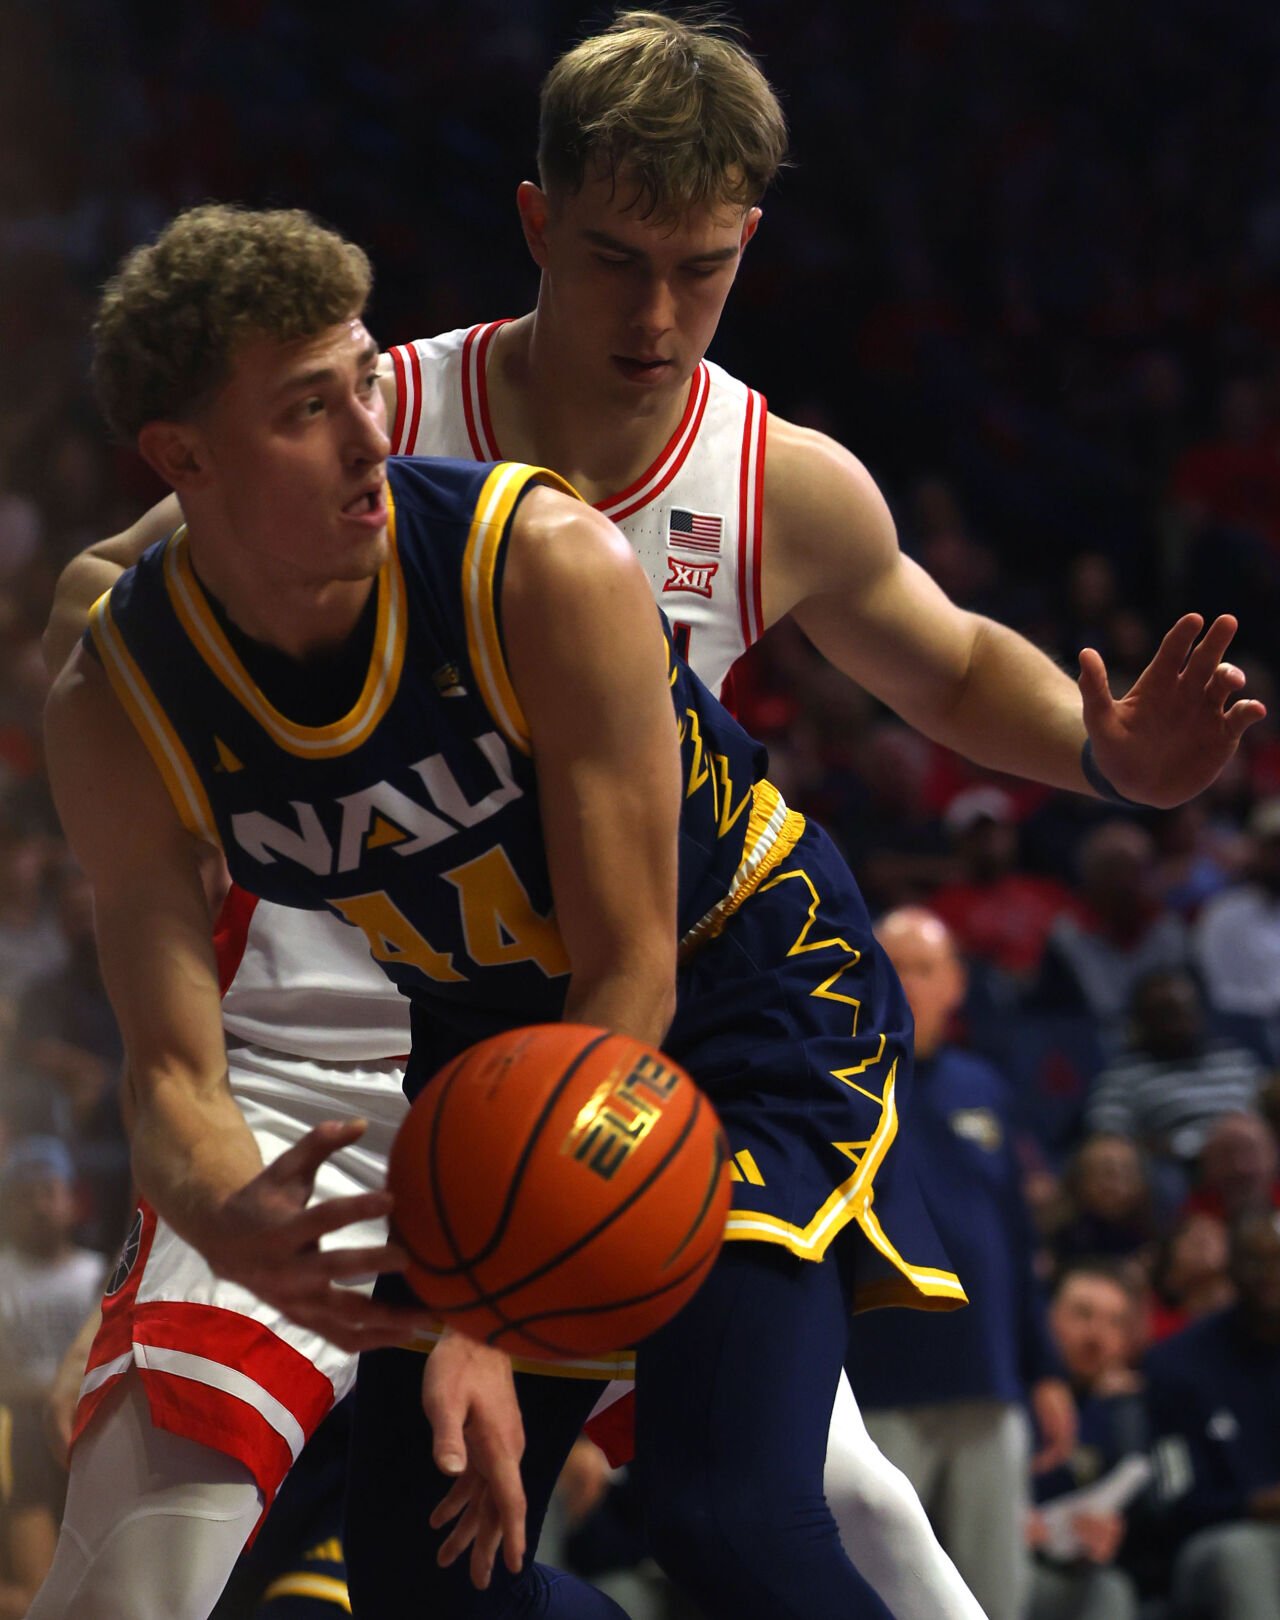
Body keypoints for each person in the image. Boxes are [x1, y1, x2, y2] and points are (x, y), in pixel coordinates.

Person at [46, 17, 1264, 1615]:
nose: (658, 312)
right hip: (459, 1013)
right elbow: (117, 591)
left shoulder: (764, 481)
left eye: (701, 267)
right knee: (416, 1569)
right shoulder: (377, 415)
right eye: (619, 260)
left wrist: (1106, 761)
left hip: (704, 983)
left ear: (748, 244)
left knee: (773, 1501)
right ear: (538, 222)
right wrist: (131, 713)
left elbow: (953, 665)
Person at [46, 202, 979, 1620]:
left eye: (366, 379)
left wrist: (488, 1317)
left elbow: (628, 966)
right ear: (183, 461)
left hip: (735, 1004)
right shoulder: (119, 704)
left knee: (730, 1505)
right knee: (426, 1582)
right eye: (310, 408)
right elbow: (173, 1070)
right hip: (494, 1039)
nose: (372, 435)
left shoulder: (538, 561)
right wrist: (226, 1207)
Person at [843, 908, 1076, 1620]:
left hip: (986, 1384)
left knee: (995, 1596)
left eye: (925, 967)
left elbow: (1013, 1240)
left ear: (956, 984)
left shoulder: (986, 1088)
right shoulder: (837, 1079)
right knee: (878, 1594)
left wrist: (1044, 1373)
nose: (908, 981)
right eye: (895, 963)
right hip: (875, 1384)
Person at [1145, 1211, 1280, 1620]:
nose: (1270, 1273)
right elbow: (1173, 1501)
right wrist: (1256, 1504)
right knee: (1242, 1553)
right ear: (1230, 1268)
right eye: (1255, 1260)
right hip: (1218, 1541)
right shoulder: (1179, 1364)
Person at [0, 1137, 106, 1616]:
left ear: (71, 1198)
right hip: (20, 1441)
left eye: (48, 1191)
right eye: (25, 1195)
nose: (39, 1206)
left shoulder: (99, 1274)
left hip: (88, 1438)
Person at [1028, 1264, 1150, 1620]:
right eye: (1082, 1314)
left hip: (1063, 1574)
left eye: (1114, 1323)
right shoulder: (1008, 1394)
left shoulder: (1123, 1413)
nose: (1097, 1336)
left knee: (1111, 1588)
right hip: (982, 1562)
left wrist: (1109, 1538)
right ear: (1045, 1317)